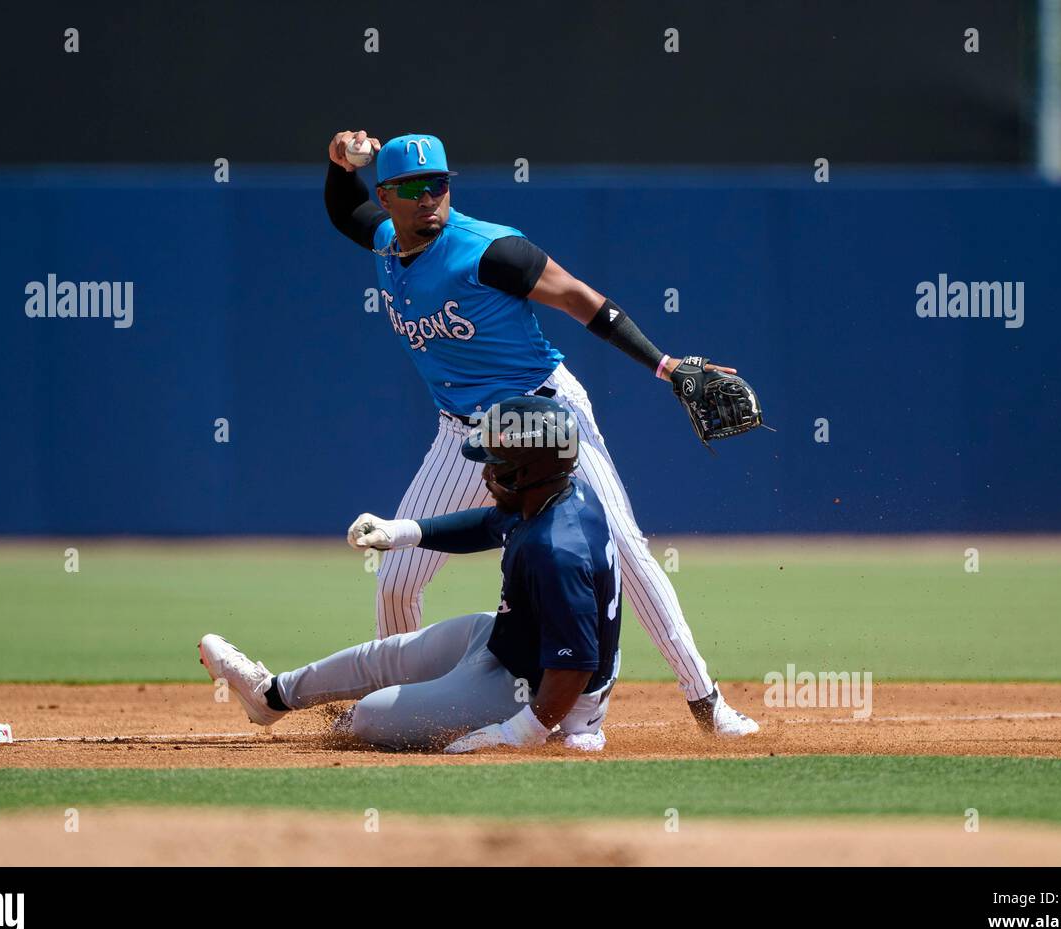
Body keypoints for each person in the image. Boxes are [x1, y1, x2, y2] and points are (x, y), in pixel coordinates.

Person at [322, 129, 757, 735]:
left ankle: (707, 702)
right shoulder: (386, 242)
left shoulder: (491, 251)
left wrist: (665, 365)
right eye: (414, 189)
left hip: (547, 425)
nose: (430, 200)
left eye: (439, 185)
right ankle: (402, 714)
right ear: (388, 195)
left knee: (626, 553)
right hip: (464, 437)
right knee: (395, 573)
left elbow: (582, 300)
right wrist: (339, 165)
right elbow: (347, 210)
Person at [199, 396, 620, 752]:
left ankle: (555, 734)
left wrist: (520, 733)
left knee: (368, 717)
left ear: (526, 472)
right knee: (385, 657)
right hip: (513, 645)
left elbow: (577, 664)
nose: (486, 473)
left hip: (538, 689)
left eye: (495, 464)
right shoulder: (557, 494)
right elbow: (490, 524)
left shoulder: (556, 550)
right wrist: (400, 531)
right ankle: (271, 696)